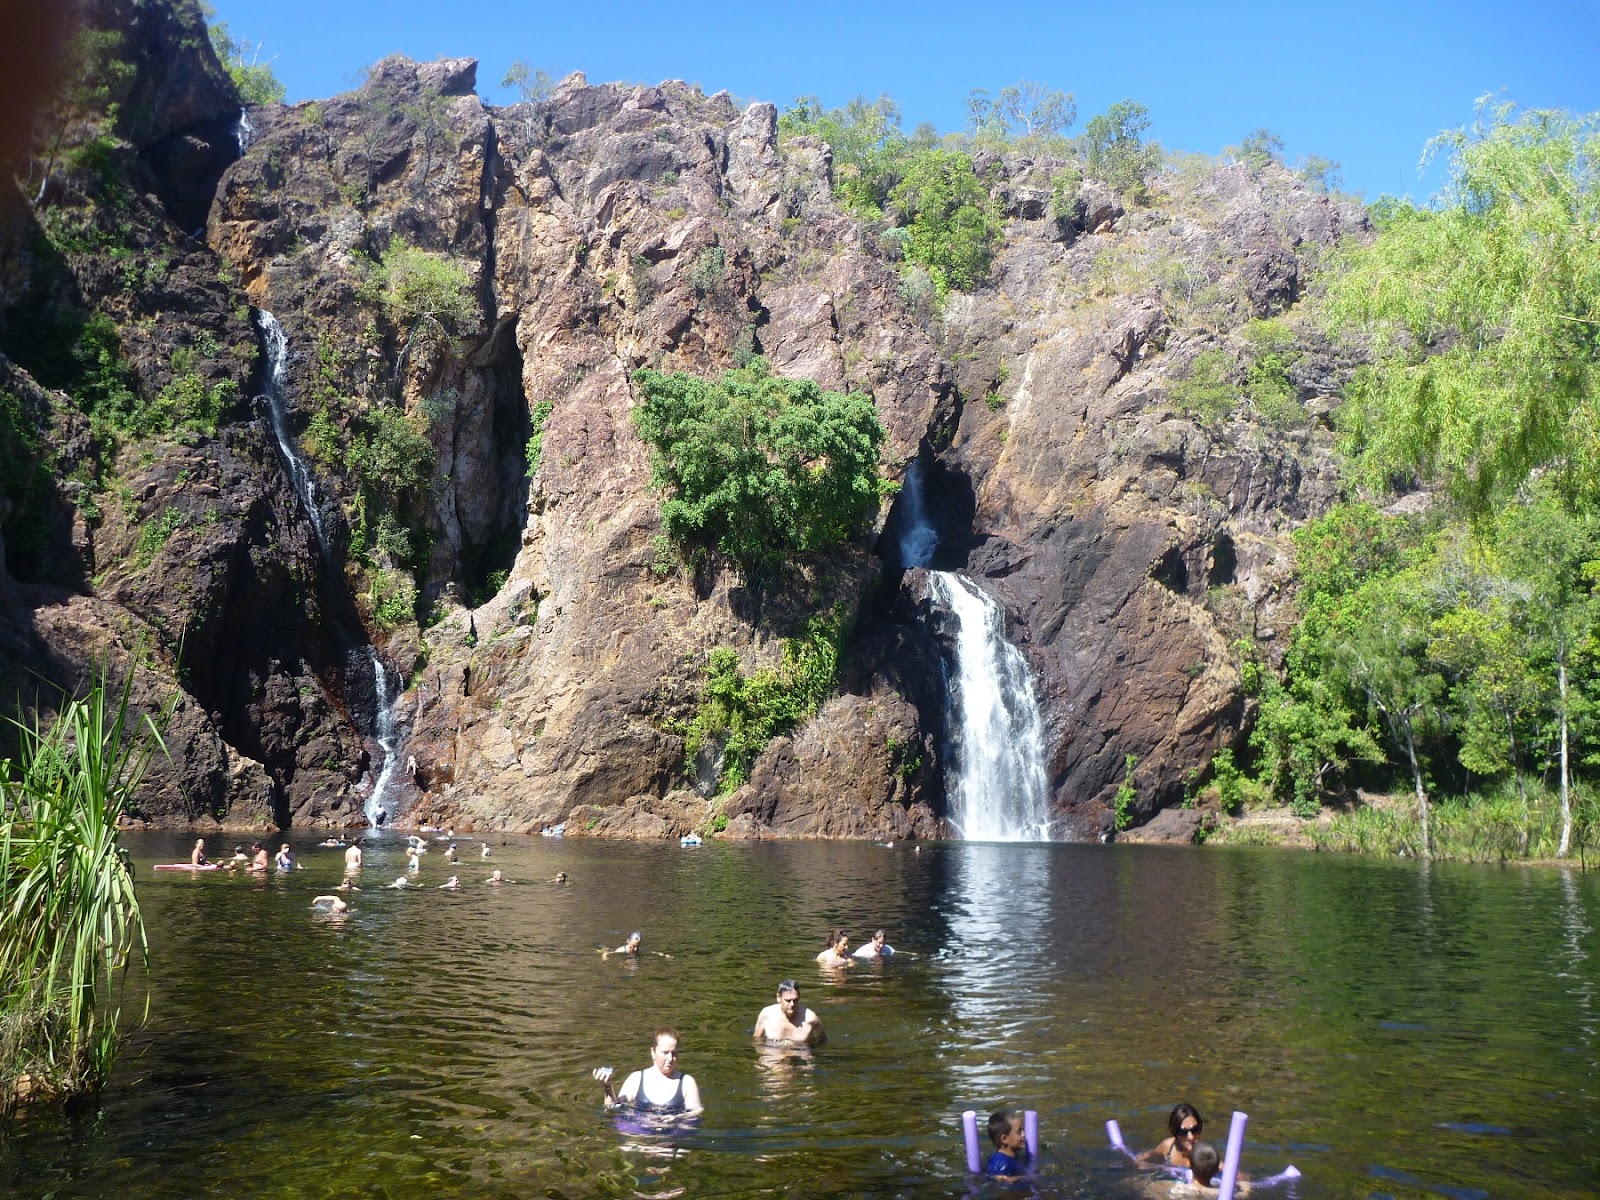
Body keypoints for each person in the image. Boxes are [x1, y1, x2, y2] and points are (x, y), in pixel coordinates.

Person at [593, 1027, 702, 1115]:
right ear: (653, 1052)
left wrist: (677, 1118)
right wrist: (608, 1087)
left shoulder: (687, 1082)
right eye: (665, 1053)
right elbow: (612, 1109)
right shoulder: (636, 1079)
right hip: (641, 1131)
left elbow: (696, 1111)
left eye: (674, 1053)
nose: (670, 1058)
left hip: (673, 1132)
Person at [753, 981, 825, 1045]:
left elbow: (821, 1043)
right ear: (778, 997)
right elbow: (757, 1041)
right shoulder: (766, 1015)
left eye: (795, 1000)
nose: (792, 1004)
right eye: (788, 1000)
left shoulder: (811, 1019)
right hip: (773, 1054)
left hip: (799, 1054)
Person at [1141, 1104, 1203, 1169]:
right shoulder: (1168, 1147)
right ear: (1174, 1132)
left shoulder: (1205, 1157)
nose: (1191, 1137)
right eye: (1183, 1132)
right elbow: (1143, 1159)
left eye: (1195, 1130)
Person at [985, 1110, 1032, 1177]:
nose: (1024, 1134)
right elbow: (998, 1179)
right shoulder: (1002, 1165)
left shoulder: (1011, 1155)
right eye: (1019, 1132)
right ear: (1004, 1139)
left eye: (1022, 1129)